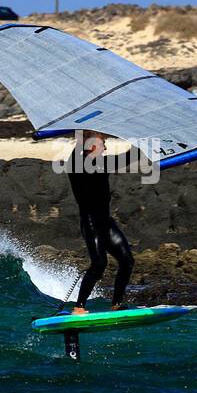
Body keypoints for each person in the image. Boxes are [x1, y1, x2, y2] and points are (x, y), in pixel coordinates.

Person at [66, 130, 134, 314]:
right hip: (91, 224)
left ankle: (116, 304)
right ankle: (79, 307)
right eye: (103, 142)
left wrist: (143, 139)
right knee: (99, 264)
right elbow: (79, 145)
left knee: (127, 261)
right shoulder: (75, 165)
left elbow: (131, 156)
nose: (106, 146)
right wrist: (84, 129)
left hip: (106, 223)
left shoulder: (104, 163)